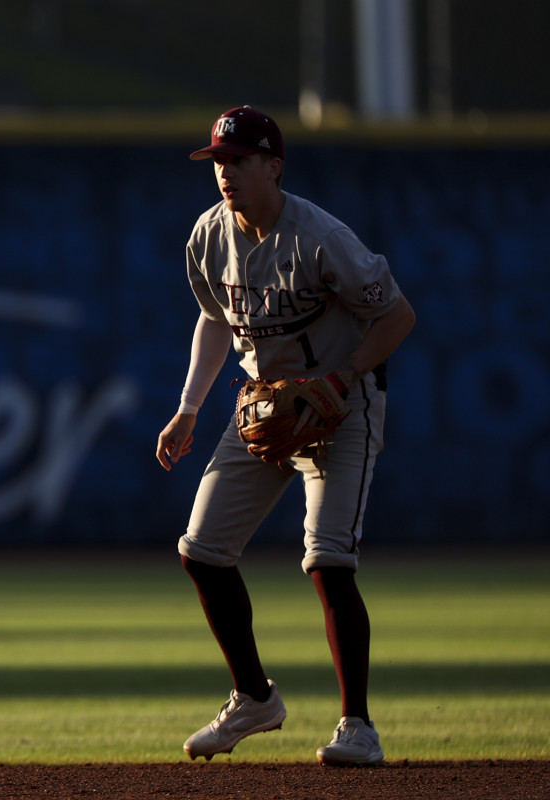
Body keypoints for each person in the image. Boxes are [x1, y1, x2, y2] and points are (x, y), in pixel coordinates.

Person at [155, 106, 416, 766]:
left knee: (328, 559)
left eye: (239, 160)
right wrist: (189, 407)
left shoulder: (320, 237)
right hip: (265, 409)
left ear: (273, 167)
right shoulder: (208, 234)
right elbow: (215, 319)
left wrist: (342, 378)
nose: (225, 171)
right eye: (217, 160)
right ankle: (254, 698)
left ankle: (358, 727)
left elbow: (398, 316)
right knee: (201, 551)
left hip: (342, 409)